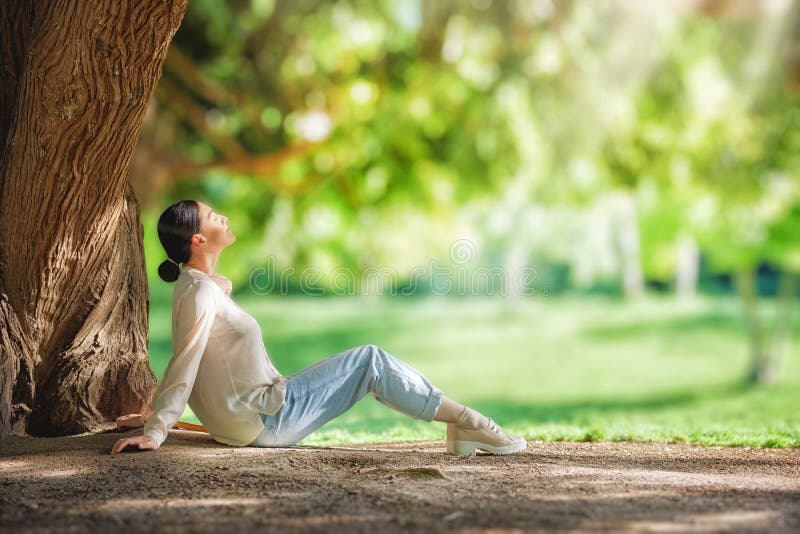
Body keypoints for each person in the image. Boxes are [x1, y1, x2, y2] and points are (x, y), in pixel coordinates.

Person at [110, 200, 526, 457]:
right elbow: (186, 361)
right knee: (370, 361)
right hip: (266, 421)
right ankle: (470, 422)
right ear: (198, 240)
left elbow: (194, 361)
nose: (224, 217)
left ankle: (463, 425)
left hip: (254, 418)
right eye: (213, 216)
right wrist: (156, 430)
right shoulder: (200, 293)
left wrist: (152, 417)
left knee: (367, 363)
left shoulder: (196, 287)